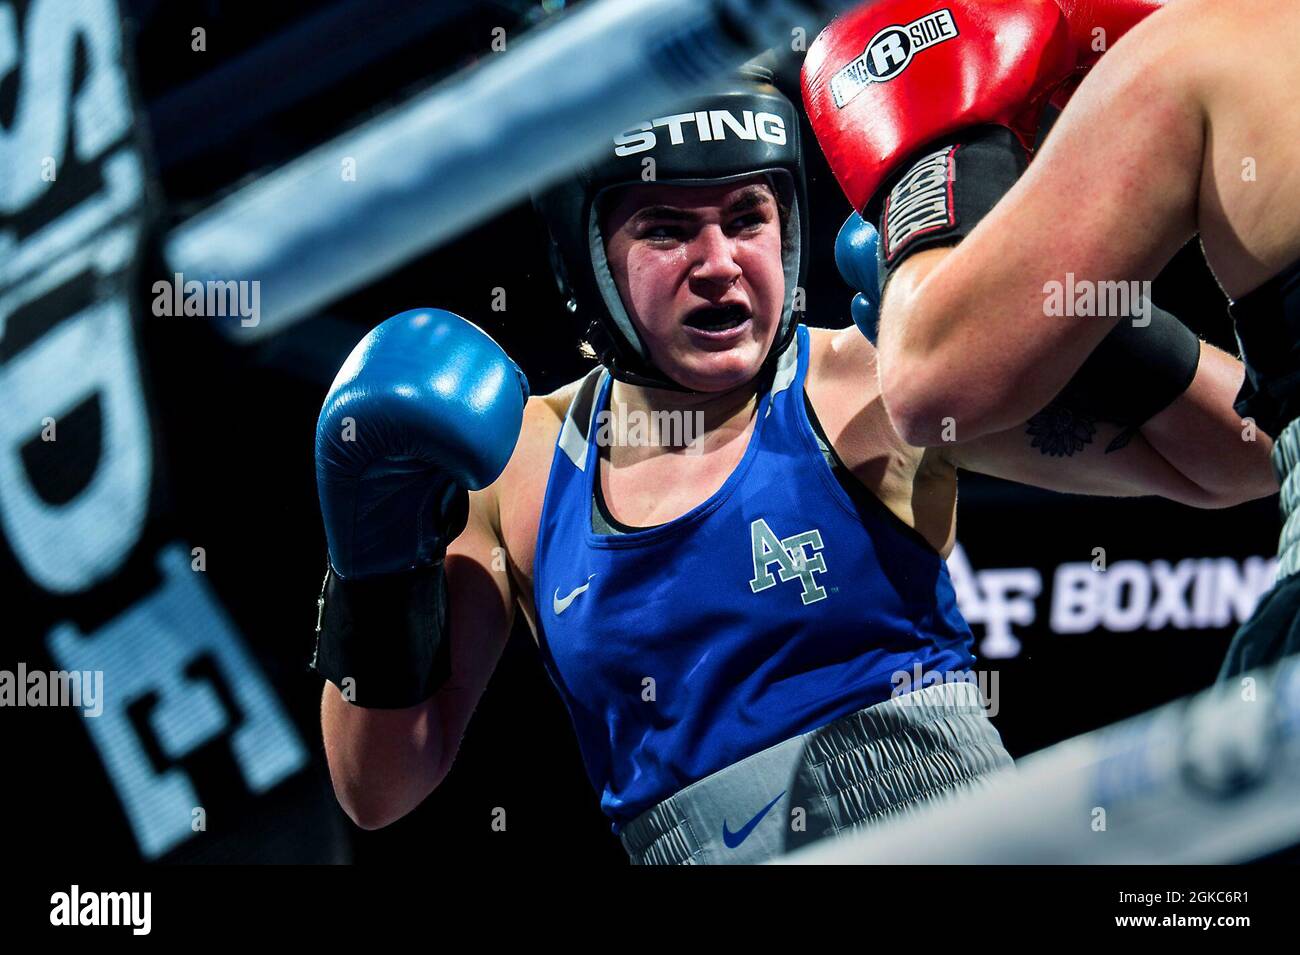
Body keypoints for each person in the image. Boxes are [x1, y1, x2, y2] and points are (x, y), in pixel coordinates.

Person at [311, 65, 1275, 865]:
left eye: (747, 215)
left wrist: (1073, 308)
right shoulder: (517, 466)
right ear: (584, 259)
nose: (721, 261)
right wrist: (372, 552)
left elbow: (1241, 462)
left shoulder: (874, 381)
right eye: (664, 229)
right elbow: (378, 787)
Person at [805, 0, 1298, 678]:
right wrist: (1058, 301)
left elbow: (932, 372)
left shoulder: (1211, 43)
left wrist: (938, 186)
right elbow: (1252, 458)